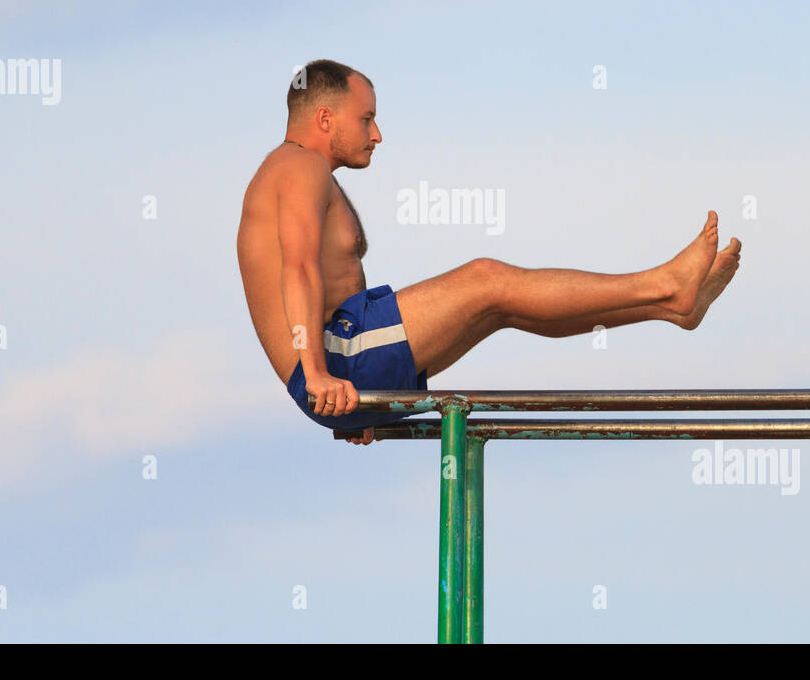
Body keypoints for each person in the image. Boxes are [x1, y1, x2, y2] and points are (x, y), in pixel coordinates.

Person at [236, 59, 741, 445]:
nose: (377, 134)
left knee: (502, 307)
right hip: (334, 356)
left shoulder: (297, 172)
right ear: (325, 118)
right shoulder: (299, 166)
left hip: (344, 357)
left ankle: (670, 307)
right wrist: (320, 375)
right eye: (365, 118)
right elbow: (298, 269)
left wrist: (350, 407)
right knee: (487, 279)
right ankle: (663, 284)